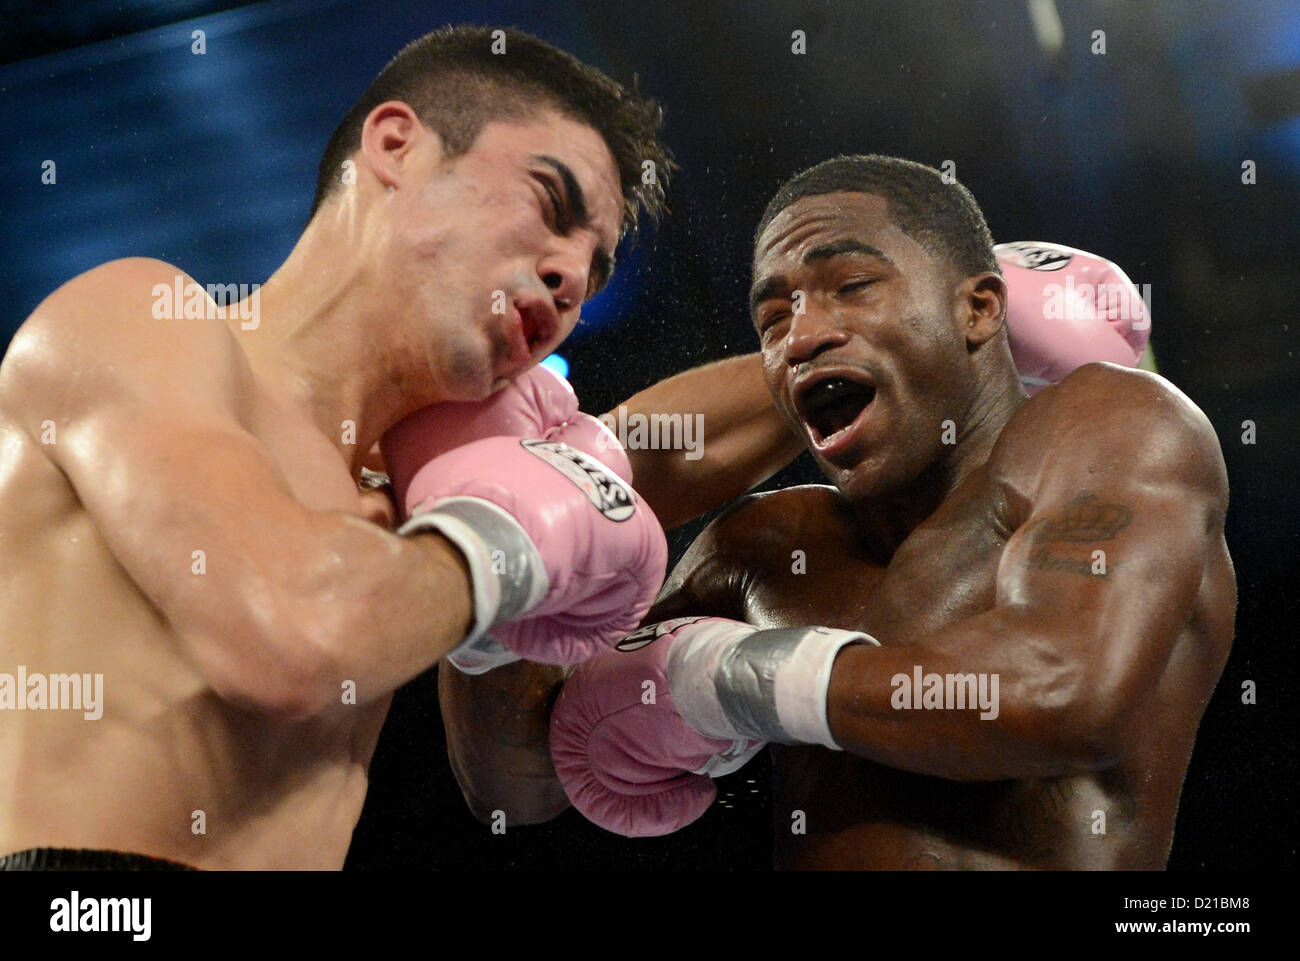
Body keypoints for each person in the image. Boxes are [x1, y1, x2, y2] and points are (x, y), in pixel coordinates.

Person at [0, 26, 795, 871]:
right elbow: (296, 634)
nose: (568, 277)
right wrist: (502, 541)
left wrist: (855, 351)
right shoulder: (143, 319)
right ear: (395, 146)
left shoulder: (415, 503)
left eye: (594, 271)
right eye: (548, 203)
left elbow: (511, 791)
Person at [550, 155, 1235, 869]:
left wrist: (729, 677)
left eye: (852, 285)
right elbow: (520, 774)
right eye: (772, 318)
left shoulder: (1113, 429)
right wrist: (522, 517)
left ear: (979, 308)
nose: (800, 337)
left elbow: (1064, 691)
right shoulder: (763, 547)